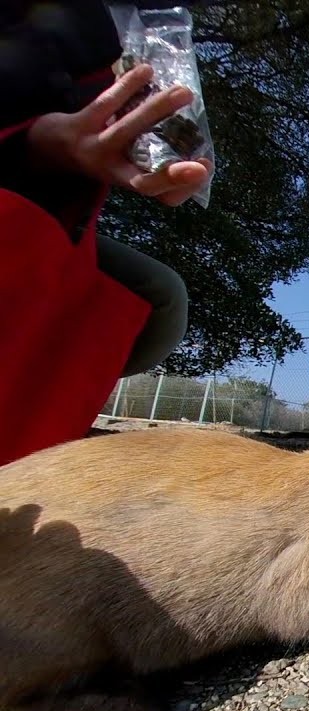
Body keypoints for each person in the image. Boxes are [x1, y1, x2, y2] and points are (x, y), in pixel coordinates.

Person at [0, 0, 212, 465]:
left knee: (161, 300)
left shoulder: (144, 32)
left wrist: (156, 155)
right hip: (21, 208)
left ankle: (42, 436)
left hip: (55, 214)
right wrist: (32, 143)